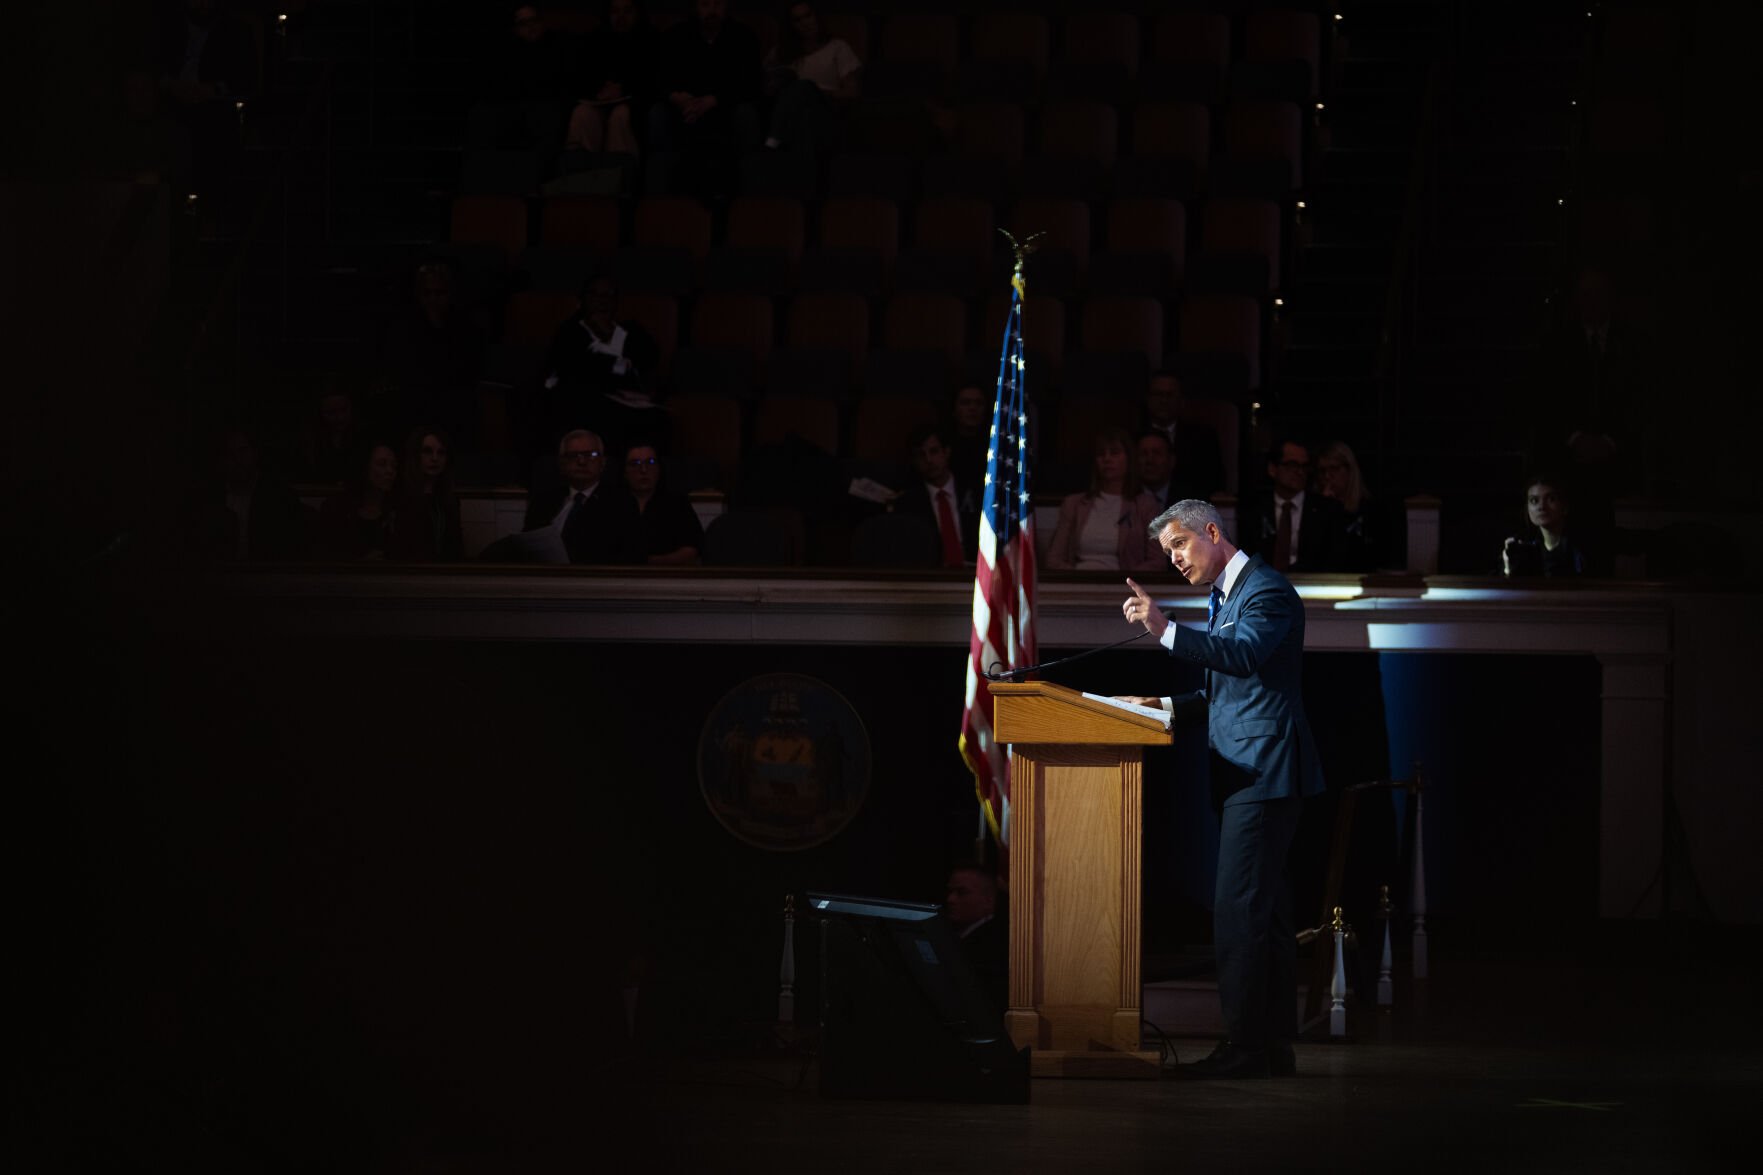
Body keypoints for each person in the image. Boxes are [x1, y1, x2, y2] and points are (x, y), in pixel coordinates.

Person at [1118, 499, 1325, 1078]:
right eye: (1168, 555)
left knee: (1237, 913)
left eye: (1180, 546)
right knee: (1265, 917)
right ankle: (1271, 1046)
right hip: (1244, 772)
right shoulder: (1225, 598)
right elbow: (1223, 695)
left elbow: (1242, 656)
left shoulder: (1266, 590)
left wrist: (1164, 631)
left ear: (1212, 531)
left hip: (1264, 771)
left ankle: (1245, 1047)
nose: (1175, 561)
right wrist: (1162, 705)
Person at [539, 272, 667, 459]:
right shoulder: (570, 332)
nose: (601, 301)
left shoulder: (632, 332)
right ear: (583, 299)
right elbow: (581, 370)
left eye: (607, 295)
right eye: (595, 295)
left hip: (629, 405)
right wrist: (621, 367)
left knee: (658, 421)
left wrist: (607, 342)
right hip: (585, 404)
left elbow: (647, 362)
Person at [648, 0, 763, 195]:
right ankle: (657, 200)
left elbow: (750, 83)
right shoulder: (676, 36)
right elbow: (659, 78)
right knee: (657, 115)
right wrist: (677, 97)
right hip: (684, 111)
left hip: (726, 110)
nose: (712, 11)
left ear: (726, 6)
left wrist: (714, 100)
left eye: (717, 5)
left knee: (747, 114)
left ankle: (752, 199)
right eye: (705, 5)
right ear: (695, 7)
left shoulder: (743, 36)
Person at [1046, 427, 1164, 571]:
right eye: (1101, 454)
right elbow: (1053, 559)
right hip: (1078, 583)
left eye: (1114, 453)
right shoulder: (1074, 504)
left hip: (1123, 586)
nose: (1107, 459)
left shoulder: (1145, 506)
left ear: (1129, 459)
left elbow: (1157, 562)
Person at [522, 429, 643, 564]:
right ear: (562, 463)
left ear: (602, 462)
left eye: (590, 455)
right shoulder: (543, 502)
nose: (582, 462)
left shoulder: (621, 504)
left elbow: (631, 555)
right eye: (573, 455)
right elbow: (526, 548)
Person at [469, 4, 574, 150]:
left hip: (547, 105)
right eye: (524, 23)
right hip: (516, 106)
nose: (531, 26)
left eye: (534, 20)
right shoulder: (508, 52)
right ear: (515, 28)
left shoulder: (557, 48)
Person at [762, 1, 860, 153]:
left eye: (808, 16)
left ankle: (773, 141)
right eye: (797, 20)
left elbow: (851, 91)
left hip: (825, 108)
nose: (805, 23)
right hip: (789, 110)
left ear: (816, 16)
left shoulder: (837, 47)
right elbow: (764, 78)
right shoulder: (781, 52)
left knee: (803, 87)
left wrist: (817, 92)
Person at [564, 0, 657, 155]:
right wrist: (599, 91)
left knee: (620, 117)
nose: (620, 17)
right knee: (582, 114)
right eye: (615, 11)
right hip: (598, 101)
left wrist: (623, 89)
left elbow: (651, 78)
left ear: (637, 14)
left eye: (627, 11)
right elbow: (581, 76)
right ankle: (581, 174)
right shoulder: (596, 39)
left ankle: (621, 174)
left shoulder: (649, 39)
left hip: (634, 101)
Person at [1243, 438, 1345, 573]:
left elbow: (1334, 562)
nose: (1300, 472)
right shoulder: (1255, 509)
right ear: (1273, 469)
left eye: (1304, 466)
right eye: (1292, 465)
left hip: (1312, 586)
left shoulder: (1327, 510)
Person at [893, 425, 979, 566]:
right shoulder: (908, 503)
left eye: (934, 452)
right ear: (914, 461)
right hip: (931, 576)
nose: (928, 460)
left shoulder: (975, 494)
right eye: (921, 455)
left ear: (946, 452)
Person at [1138, 371, 1227, 502]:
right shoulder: (1133, 438)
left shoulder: (1204, 438)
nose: (1163, 400)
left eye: (1169, 395)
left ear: (1181, 400)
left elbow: (1214, 483)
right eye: (1158, 394)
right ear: (1148, 399)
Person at [1313, 440, 1398, 573]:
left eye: (1334, 469)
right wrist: (1327, 507)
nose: (1327, 476)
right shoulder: (1314, 509)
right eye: (1322, 471)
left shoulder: (1373, 510)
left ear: (1350, 470)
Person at [1501, 473, 1609, 578]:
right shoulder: (1526, 545)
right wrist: (1508, 568)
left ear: (1565, 506)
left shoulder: (1583, 548)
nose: (1541, 507)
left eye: (1551, 499)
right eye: (1534, 500)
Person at [387, 427, 465, 562]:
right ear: (416, 455)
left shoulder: (448, 500)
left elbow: (454, 546)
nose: (435, 458)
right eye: (427, 451)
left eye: (441, 453)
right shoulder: (402, 497)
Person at [624, 441, 704, 565]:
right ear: (625, 471)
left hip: (668, 577)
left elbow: (692, 549)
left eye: (650, 462)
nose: (643, 470)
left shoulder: (677, 504)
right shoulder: (610, 504)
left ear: (659, 468)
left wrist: (653, 563)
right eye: (635, 464)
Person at [315, 442, 398, 560]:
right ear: (365, 467)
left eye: (394, 466)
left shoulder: (399, 512)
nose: (390, 471)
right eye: (382, 464)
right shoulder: (336, 509)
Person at [943, 865, 1007, 1012]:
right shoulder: (963, 937)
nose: (950, 899)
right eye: (950, 891)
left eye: (962, 892)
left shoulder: (992, 948)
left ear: (988, 900)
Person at [946, 382, 990, 492]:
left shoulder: (997, 447)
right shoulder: (943, 448)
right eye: (965, 403)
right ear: (954, 409)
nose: (972, 408)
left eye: (979, 403)